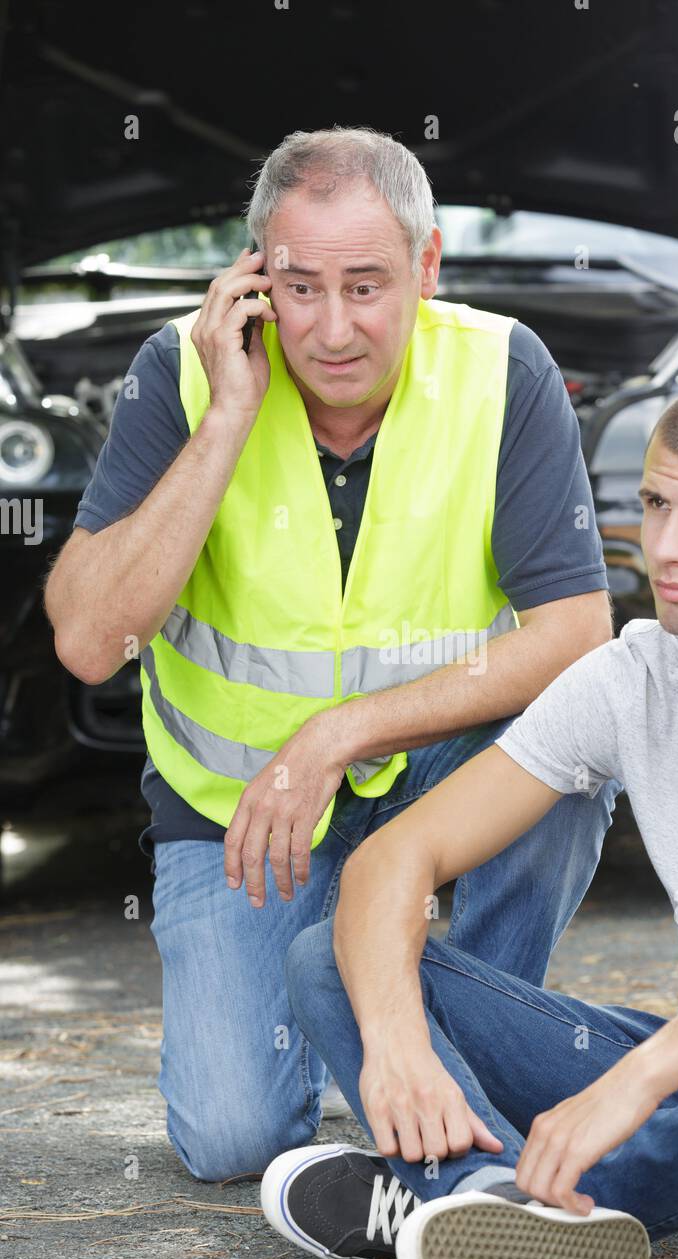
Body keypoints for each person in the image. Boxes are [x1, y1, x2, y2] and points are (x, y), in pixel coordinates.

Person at [43, 127, 616, 1181]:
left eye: (367, 285)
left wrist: (339, 731)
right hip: (239, 810)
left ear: (427, 267)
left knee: (576, 743)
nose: (334, 328)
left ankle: (455, 1057)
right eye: (301, 289)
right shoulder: (178, 372)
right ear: (254, 275)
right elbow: (87, 641)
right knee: (231, 1140)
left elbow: (579, 634)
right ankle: (369, 1031)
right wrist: (225, 419)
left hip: (430, 784)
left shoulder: (501, 369)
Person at [267, 375, 678, 1259]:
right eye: (655, 504)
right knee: (328, 956)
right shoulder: (633, 676)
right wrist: (395, 1045)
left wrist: (630, 1086)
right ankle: (498, 1198)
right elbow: (396, 859)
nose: (665, 547)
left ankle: (492, 1203)